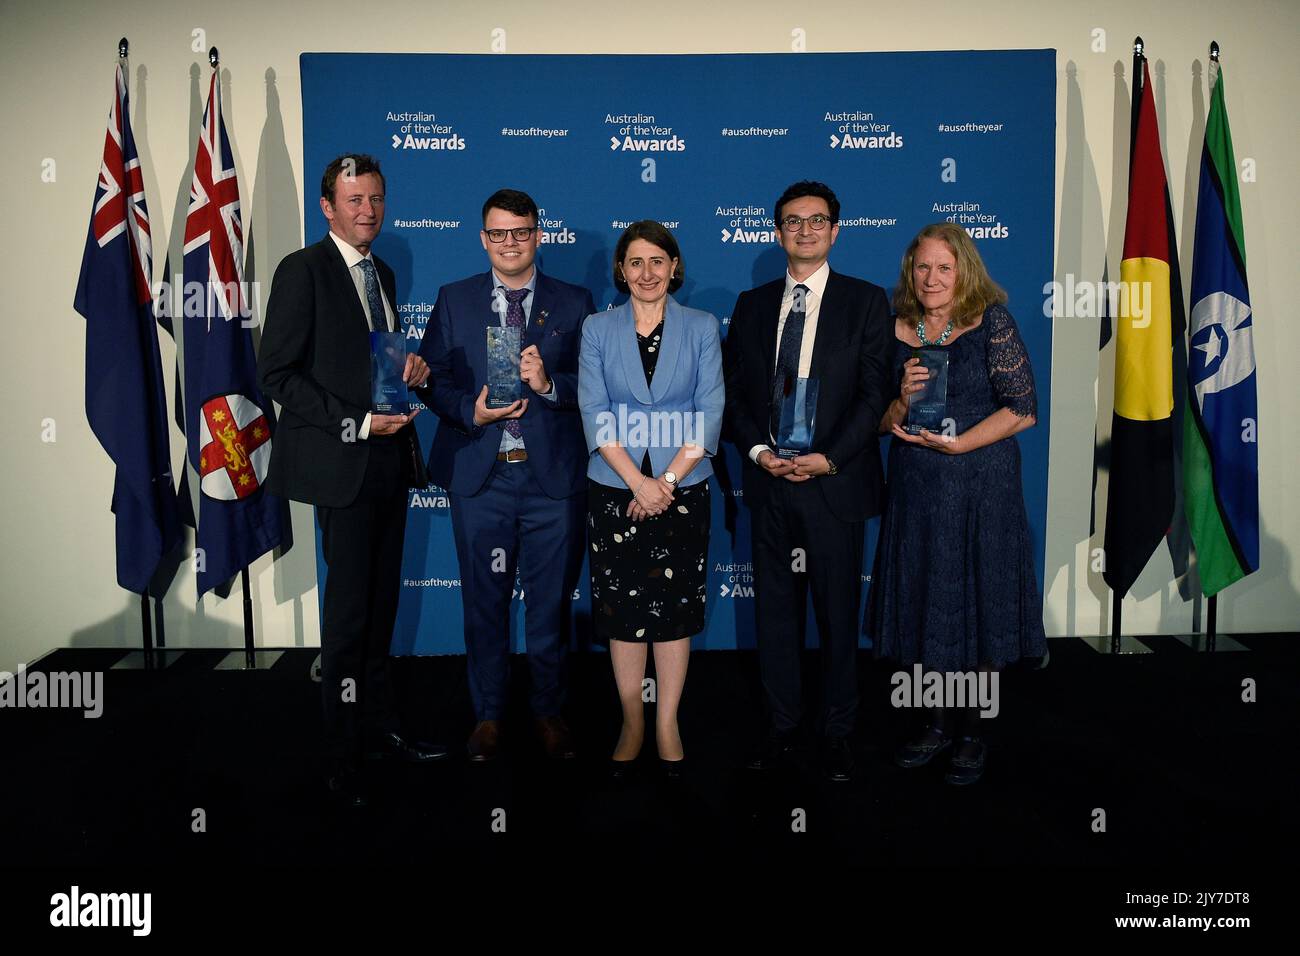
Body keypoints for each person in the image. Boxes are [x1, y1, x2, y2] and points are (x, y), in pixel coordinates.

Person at [259, 154, 449, 810]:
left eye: (375, 198)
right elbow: (277, 373)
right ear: (327, 206)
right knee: (346, 620)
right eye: (353, 199)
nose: (367, 209)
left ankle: (380, 724)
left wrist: (407, 376)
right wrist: (359, 422)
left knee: (380, 612)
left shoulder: (383, 273)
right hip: (344, 466)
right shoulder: (302, 271)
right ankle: (342, 754)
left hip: (391, 468)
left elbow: (370, 364)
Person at [865, 222, 1046, 786]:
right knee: (928, 605)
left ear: (964, 270)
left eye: (944, 267)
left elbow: (1023, 409)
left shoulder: (990, 321)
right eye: (923, 267)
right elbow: (874, 423)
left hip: (981, 487)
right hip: (918, 490)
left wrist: (961, 443)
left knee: (980, 606)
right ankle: (935, 724)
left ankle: (973, 734)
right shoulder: (894, 331)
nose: (932, 278)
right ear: (909, 272)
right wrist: (901, 399)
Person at [723, 181, 892, 782]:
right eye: (793, 222)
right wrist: (760, 449)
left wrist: (829, 458)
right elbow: (736, 395)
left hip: (832, 485)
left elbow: (876, 395)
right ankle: (782, 730)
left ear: (835, 229)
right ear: (777, 231)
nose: (805, 230)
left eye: (816, 221)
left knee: (838, 615)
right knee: (775, 614)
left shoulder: (867, 301)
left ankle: (839, 731)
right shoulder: (750, 303)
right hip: (768, 482)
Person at [418, 189, 595, 762]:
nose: (510, 243)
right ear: (483, 239)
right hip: (481, 475)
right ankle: (489, 715)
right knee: (483, 603)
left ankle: (548, 712)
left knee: (549, 606)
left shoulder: (574, 301)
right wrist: (470, 410)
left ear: (538, 235)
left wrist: (548, 386)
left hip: (552, 481)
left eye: (520, 232)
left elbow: (592, 387)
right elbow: (431, 379)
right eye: (499, 234)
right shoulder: (454, 299)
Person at [578, 221, 723, 778]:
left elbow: (710, 410)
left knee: (675, 609)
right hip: (614, 488)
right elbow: (594, 411)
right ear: (621, 270)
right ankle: (632, 719)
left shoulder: (702, 327)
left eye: (657, 261)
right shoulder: (597, 328)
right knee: (621, 612)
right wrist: (638, 483)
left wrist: (664, 482)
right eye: (635, 263)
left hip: (683, 489)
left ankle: (667, 721)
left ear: (674, 266)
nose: (647, 273)